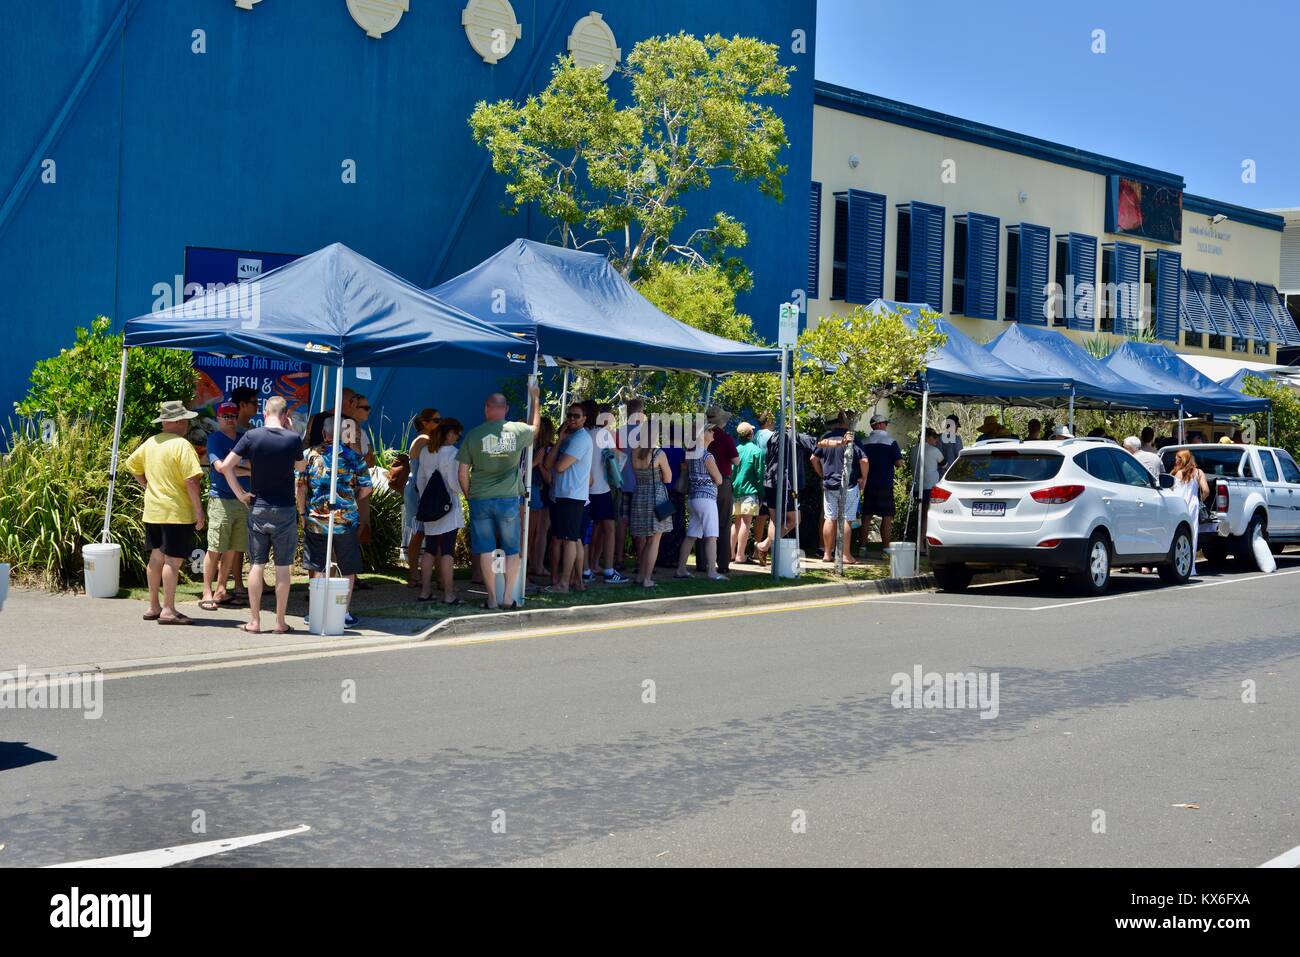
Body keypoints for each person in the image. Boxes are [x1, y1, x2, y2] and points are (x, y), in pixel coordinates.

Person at [219, 395, 304, 635]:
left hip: (257, 506)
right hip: (285, 508)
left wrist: (240, 494)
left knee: (257, 564)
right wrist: (290, 433)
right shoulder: (293, 438)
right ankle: (279, 622)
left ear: (265, 413)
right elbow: (300, 467)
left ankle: (255, 621)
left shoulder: (251, 436)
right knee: (283, 567)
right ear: (285, 415)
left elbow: (226, 467)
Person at [457, 387, 540, 608]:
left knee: (486, 549)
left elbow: (462, 472)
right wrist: (536, 399)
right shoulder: (518, 430)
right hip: (508, 499)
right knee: (512, 549)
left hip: (481, 499)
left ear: (486, 408)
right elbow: (536, 428)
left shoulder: (473, 435)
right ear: (506, 409)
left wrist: (469, 496)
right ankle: (508, 597)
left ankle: (492, 598)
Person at [124, 400, 205, 625]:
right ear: (178, 421)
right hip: (176, 511)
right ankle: (168, 609)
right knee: (173, 560)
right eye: (186, 419)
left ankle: (154, 606)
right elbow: (191, 480)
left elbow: (131, 465)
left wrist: (147, 486)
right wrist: (199, 511)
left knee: (156, 556)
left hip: (153, 510)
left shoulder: (151, 442)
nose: (188, 423)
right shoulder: (182, 445)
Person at [297, 415, 372, 628]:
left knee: (317, 565)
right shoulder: (354, 456)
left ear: (323, 433)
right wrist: (350, 503)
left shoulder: (308, 455)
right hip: (346, 521)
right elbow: (366, 488)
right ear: (341, 434)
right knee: (348, 567)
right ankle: (344, 613)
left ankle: (317, 611)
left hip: (315, 519)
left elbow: (300, 487)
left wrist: (302, 513)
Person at [199, 402, 250, 611]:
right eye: (225, 415)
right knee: (215, 548)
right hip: (221, 499)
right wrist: (246, 470)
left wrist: (240, 469)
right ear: (218, 419)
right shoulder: (215, 439)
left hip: (242, 500)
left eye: (233, 415)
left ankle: (221, 589)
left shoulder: (243, 439)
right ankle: (206, 592)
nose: (230, 419)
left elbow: (244, 465)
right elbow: (221, 468)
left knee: (233, 548)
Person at [415, 417, 465, 605]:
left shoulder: (426, 451)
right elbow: (455, 481)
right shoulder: (452, 453)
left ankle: (425, 591)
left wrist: (425, 500)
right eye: (456, 434)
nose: (457, 438)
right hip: (448, 506)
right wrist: (465, 492)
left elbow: (420, 480)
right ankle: (449, 594)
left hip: (429, 506)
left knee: (429, 549)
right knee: (447, 551)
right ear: (449, 434)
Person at [546, 401, 593, 593]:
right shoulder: (569, 438)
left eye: (576, 416)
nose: (571, 419)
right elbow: (549, 463)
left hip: (572, 495)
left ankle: (565, 583)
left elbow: (558, 466)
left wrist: (559, 451)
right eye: (569, 415)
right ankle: (578, 581)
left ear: (584, 419)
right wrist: (559, 440)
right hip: (564, 494)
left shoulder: (581, 439)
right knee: (574, 539)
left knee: (569, 539)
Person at [811, 410, 868, 564]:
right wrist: (864, 478)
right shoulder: (852, 439)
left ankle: (827, 554)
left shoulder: (826, 438)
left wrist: (822, 474)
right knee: (847, 519)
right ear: (848, 421)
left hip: (829, 483)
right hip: (848, 483)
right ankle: (845, 555)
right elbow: (864, 460)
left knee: (830, 517)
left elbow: (813, 458)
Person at [675, 424, 726, 581]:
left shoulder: (691, 454)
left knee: (691, 536)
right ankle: (712, 571)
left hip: (693, 498)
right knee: (711, 536)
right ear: (702, 434)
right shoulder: (707, 456)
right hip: (706, 499)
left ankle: (681, 569)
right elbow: (719, 479)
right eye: (709, 430)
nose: (713, 433)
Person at [586, 401, 627, 584]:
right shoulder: (603, 434)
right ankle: (609, 570)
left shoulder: (582, 434)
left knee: (588, 530)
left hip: (584, 490)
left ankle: (587, 568)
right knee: (608, 528)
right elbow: (615, 459)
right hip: (602, 487)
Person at [856, 413, 904, 554]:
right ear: (880, 425)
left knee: (867, 516)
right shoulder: (890, 441)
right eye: (885, 423)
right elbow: (899, 463)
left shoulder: (864, 442)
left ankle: (862, 548)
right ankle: (886, 548)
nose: (886, 426)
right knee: (887, 517)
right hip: (885, 484)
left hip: (868, 483)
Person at [403, 409, 441, 585]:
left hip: (420, 489)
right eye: (436, 420)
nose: (439, 424)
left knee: (422, 533)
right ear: (425, 423)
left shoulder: (424, 439)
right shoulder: (424, 440)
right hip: (419, 491)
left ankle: (418, 574)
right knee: (419, 533)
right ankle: (414, 574)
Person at [629, 442, 674, 587]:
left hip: (640, 494)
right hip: (658, 496)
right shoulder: (658, 453)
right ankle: (647, 579)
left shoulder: (634, 452)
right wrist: (660, 474)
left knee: (646, 539)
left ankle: (640, 576)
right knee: (654, 540)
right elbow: (668, 478)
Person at [701, 406, 739, 574]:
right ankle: (723, 563)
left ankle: (702, 562)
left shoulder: (698, 437)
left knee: (702, 523)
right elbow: (736, 461)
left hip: (702, 483)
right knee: (723, 523)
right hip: (722, 483)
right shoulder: (726, 438)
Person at [1170, 449, 1210, 576]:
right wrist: (1199, 501)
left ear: (1184, 459)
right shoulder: (1199, 472)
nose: (1175, 460)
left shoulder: (1177, 473)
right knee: (1192, 536)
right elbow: (1206, 490)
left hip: (1179, 505)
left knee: (1177, 534)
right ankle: (1191, 568)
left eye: (1178, 458)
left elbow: (1171, 490)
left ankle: (1177, 565)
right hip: (1192, 505)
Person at [730, 422, 764, 565]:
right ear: (750, 434)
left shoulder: (736, 449)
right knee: (746, 522)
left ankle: (731, 553)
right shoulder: (757, 451)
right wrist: (761, 494)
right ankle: (740, 555)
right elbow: (760, 474)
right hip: (750, 491)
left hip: (736, 490)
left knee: (737, 522)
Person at [528, 417, 556, 578]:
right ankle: (536, 565)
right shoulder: (544, 449)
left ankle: (534, 563)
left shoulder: (531, 447)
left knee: (536, 531)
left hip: (538, 489)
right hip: (540, 489)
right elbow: (549, 477)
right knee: (540, 531)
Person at [916, 428, 944, 554]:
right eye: (934, 438)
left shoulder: (914, 449)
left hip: (917, 487)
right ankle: (922, 544)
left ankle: (921, 544)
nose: (936, 441)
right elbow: (944, 464)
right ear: (928, 437)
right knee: (927, 517)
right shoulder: (933, 450)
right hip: (929, 487)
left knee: (921, 516)